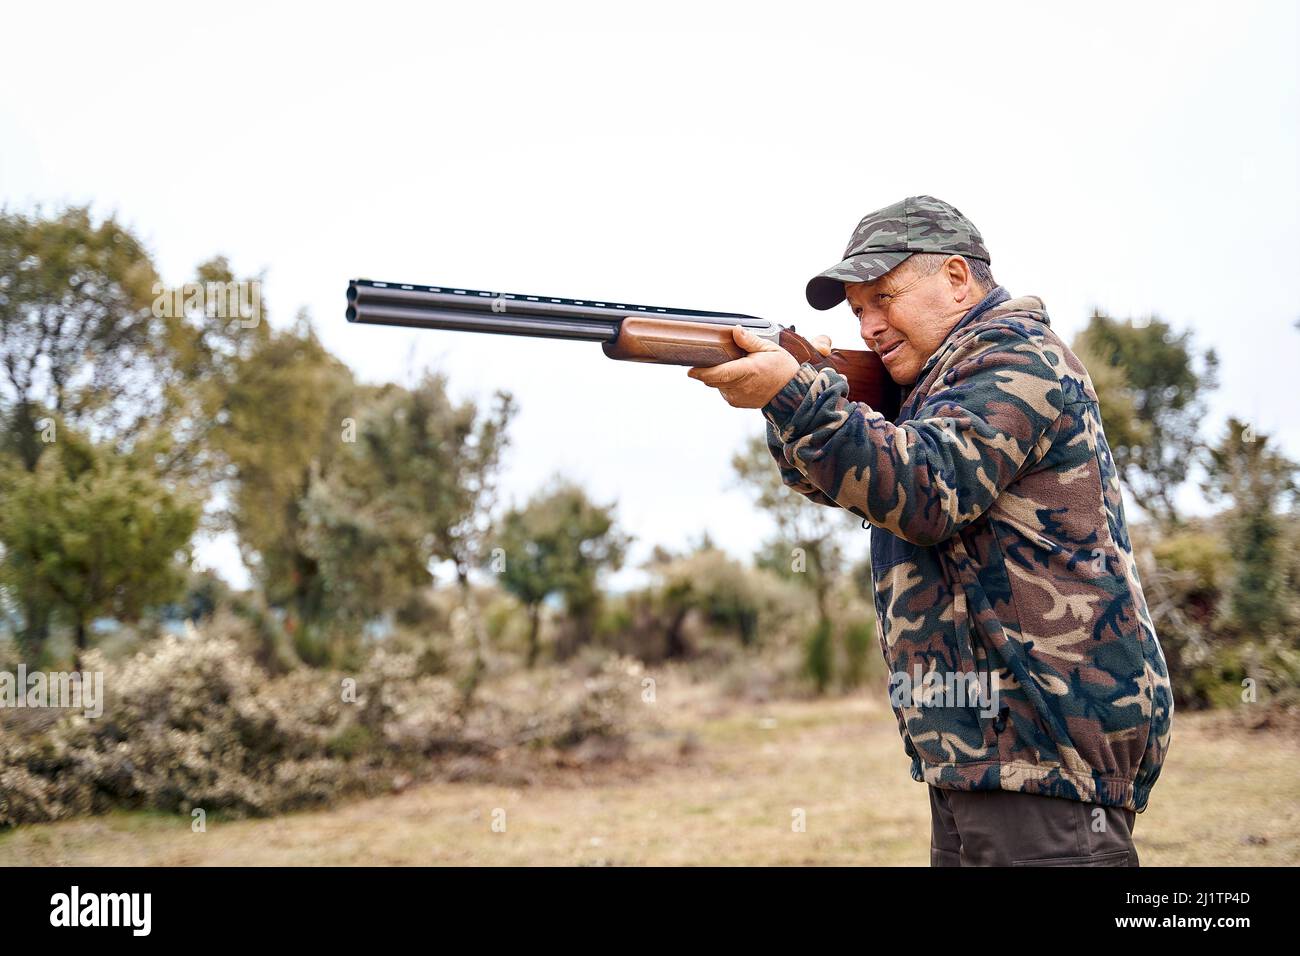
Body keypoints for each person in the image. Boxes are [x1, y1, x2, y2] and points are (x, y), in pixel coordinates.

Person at [687, 195, 1173, 866]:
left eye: (883, 297)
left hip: (1045, 746)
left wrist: (795, 393)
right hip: (983, 753)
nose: (871, 324)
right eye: (858, 310)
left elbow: (925, 489)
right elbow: (848, 484)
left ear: (955, 277)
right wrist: (796, 402)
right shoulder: (936, 383)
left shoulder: (1015, 356)